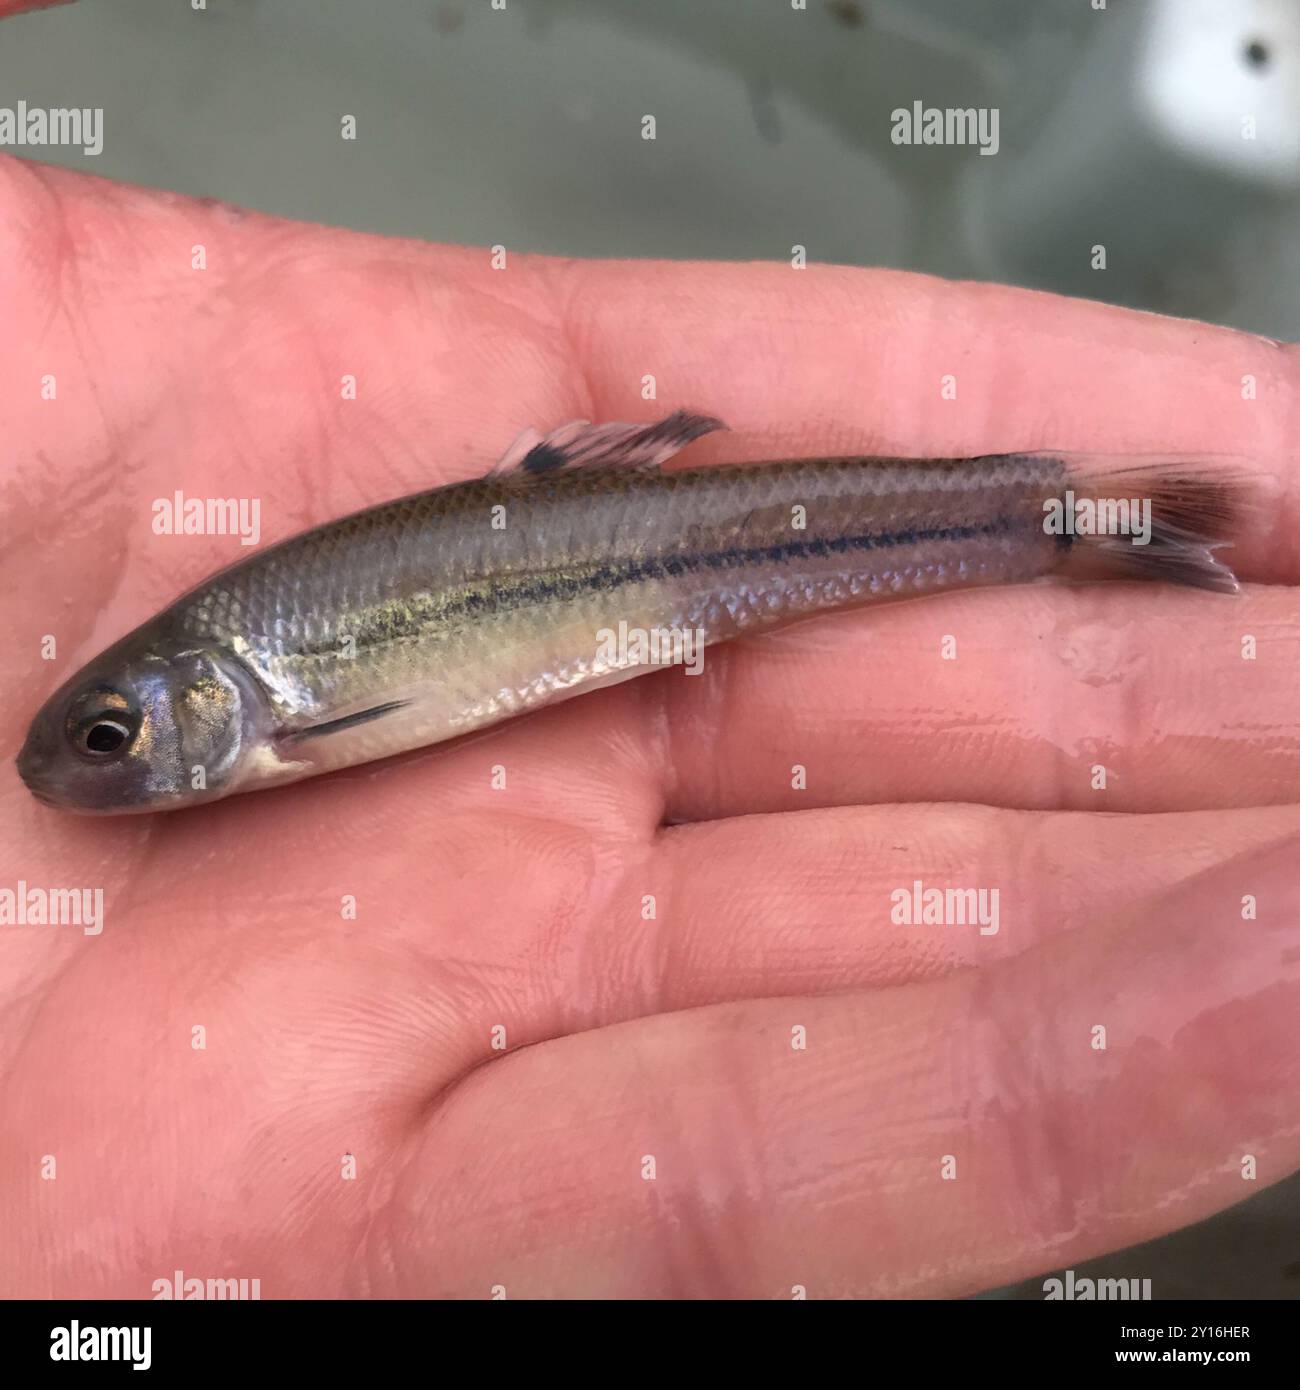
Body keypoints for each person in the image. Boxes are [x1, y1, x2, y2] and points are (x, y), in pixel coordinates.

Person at [2, 138, 1298, 1299]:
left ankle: (1076, 513)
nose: (87, 761)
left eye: (109, 733)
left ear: (205, 692)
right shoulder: (258, 660)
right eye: (106, 736)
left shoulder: (284, 689)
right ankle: (1071, 514)